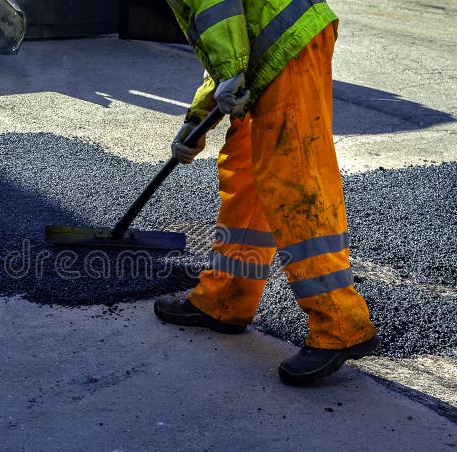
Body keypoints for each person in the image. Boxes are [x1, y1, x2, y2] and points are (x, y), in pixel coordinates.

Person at [158, 0, 380, 385]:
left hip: (287, 46)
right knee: (245, 172)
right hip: (268, 51)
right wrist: (197, 117)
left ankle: (340, 323)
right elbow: (227, 30)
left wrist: (231, 73)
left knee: (293, 181)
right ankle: (226, 298)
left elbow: (217, 7)